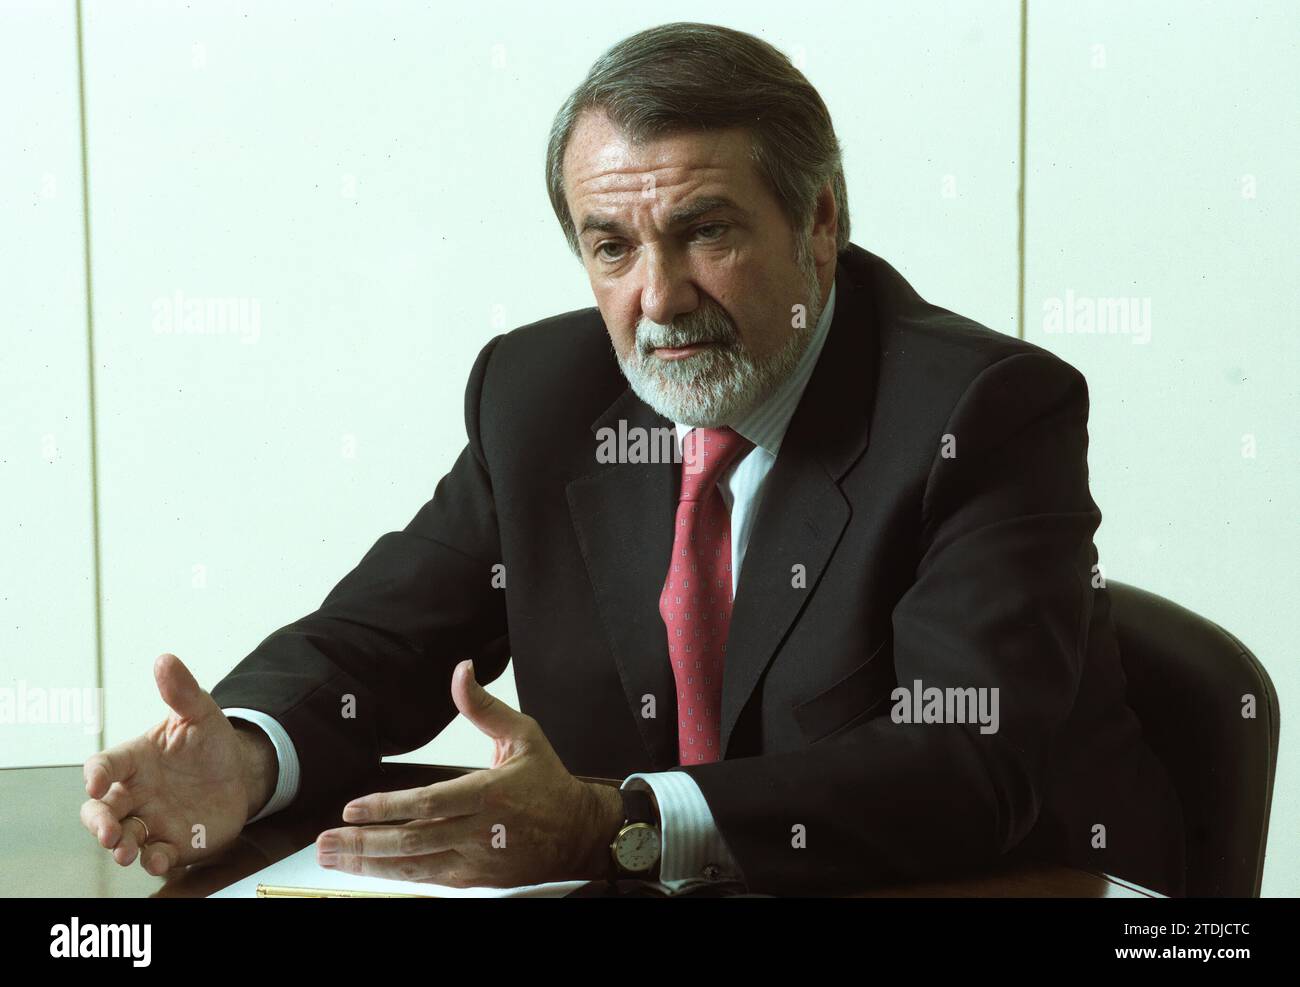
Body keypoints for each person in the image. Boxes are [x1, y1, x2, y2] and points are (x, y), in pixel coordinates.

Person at [80, 21, 1186, 897]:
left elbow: (966, 764)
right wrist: (252, 756)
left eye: (706, 232)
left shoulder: (983, 410)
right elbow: (382, 640)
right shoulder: (541, 394)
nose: (656, 300)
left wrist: (624, 824)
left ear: (821, 222)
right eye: (611, 247)